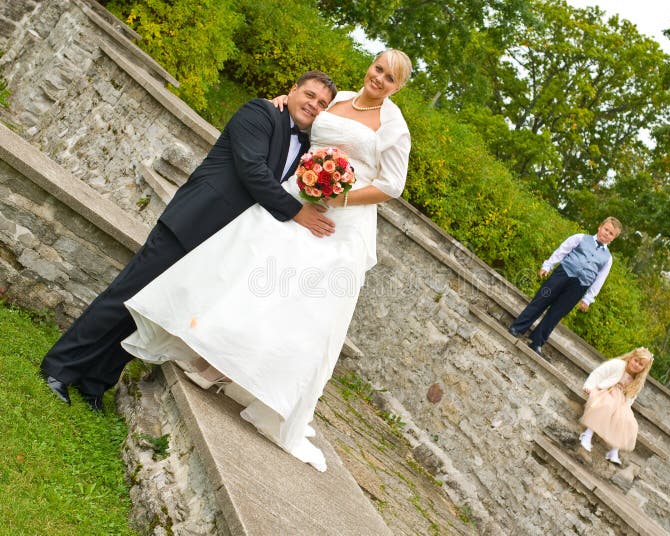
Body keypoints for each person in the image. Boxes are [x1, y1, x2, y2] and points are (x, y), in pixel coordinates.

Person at [120, 49, 413, 471]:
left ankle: (233, 372)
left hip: (342, 217)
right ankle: (210, 355)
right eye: (378, 69)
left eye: (390, 78)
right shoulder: (341, 97)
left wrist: (340, 196)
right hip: (298, 192)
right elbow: (307, 112)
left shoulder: (394, 127)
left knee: (291, 294)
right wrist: (280, 102)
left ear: (398, 87)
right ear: (371, 67)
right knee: (250, 263)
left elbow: (392, 185)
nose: (379, 79)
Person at [40, 71, 338, 411]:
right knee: (122, 298)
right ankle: (59, 368)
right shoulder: (260, 113)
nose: (313, 105)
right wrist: (297, 213)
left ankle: (95, 383)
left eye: (322, 104)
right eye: (309, 95)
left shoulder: (304, 146)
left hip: (219, 243)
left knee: (149, 313)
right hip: (193, 222)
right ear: (292, 90)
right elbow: (252, 170)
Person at [508, 217, 622, 353]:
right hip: (562, 275)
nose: (606, 234)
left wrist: (588, 298)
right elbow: (562, 251)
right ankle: (518, 327)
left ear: (613, 238)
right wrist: (548, 265)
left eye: (611, 233)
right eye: (606, 229)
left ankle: (537, 341)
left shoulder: (607, 258)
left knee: (557, 313)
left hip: (579, 286)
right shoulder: (580, 238)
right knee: (541, 300)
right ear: (600, 227)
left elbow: (600, 279)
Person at [578, 347, 653, 465]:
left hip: (621, 400)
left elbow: (631, 397)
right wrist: (589, 385)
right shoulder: (618, 365)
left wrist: (625, 407)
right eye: (636, 360)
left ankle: (614, 450)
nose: (637, 365)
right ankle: (587, 434)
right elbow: (598, 373)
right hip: (606, 391)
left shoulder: (638, 381)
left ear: (644, 368)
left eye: (641, 364)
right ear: (631, 357)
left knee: (627, 420)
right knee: (606, 406)